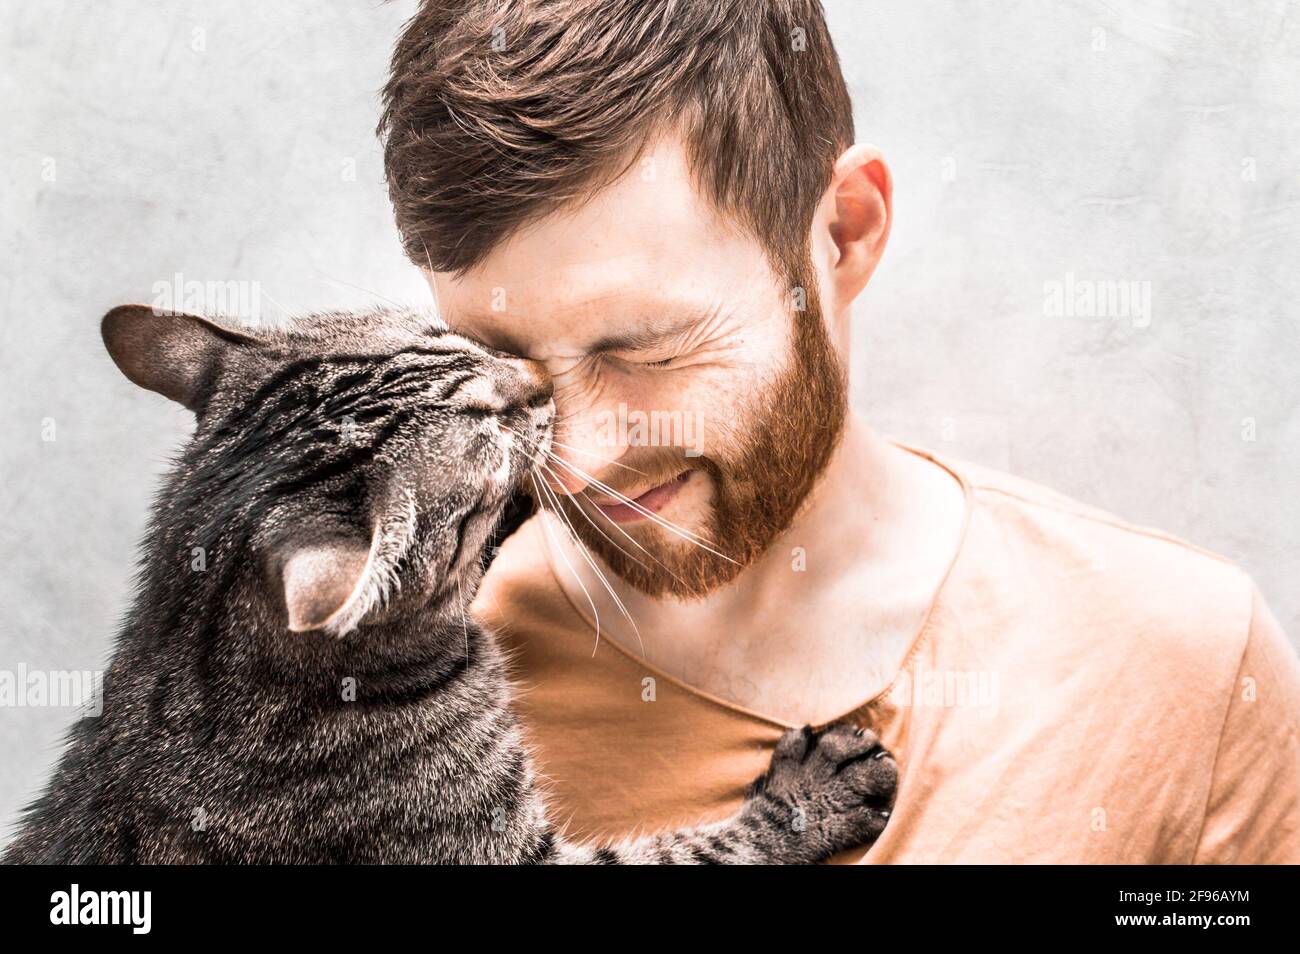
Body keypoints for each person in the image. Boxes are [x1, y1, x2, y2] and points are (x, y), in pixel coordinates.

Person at [378, 0, 1300, 862]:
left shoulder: (1186, 663)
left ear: (845, 232)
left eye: (649, 350)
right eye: (502, 370)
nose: (573, 468)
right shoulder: (382, 710)